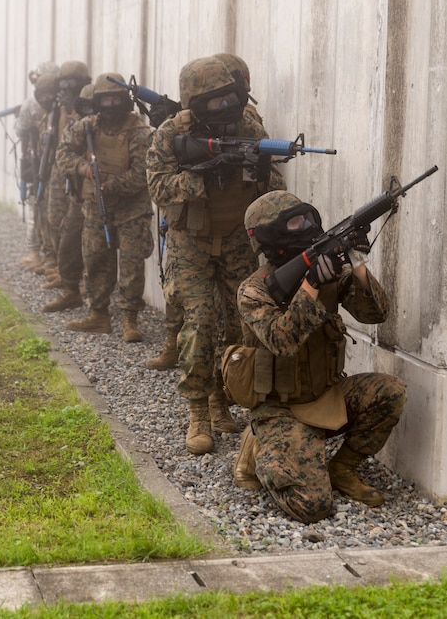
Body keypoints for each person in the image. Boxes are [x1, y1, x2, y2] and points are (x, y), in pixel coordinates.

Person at [232, 190, 407, 523]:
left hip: (325, 396)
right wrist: (311, 284)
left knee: (391, 392)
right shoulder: (254, 290)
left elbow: (377, 313)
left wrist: (357, 263)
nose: (305, 227)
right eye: (294, 222)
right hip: (280, 407)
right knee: (311, 507)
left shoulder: (330, 274)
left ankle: (342, 469)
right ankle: (257, 444)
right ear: (269, 236)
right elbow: (283, 342)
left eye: (306, 219)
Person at [147, 56, 285, 454]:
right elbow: (158, 187)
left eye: (227, 99)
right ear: (193, 102)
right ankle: (199, 412)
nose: (222, 108)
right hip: (190, 240)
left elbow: (273, 184)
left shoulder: (250, 129)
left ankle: (222, 398)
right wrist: (204, 174)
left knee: (240, 324)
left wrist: (258, 169)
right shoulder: (170, 134)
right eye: (212, 101)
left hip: (237, 238)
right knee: (201, 321)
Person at [61, 73, 154, 342]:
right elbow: (63, 152)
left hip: (132, 208)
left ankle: (129, 319)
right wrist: (83, 168)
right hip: (95, 205)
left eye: (116, 99)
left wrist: (111, 185)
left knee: (131, 265)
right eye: (106, 100)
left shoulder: (139, 132)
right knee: (95, 258)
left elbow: (141, 174)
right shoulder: (87, 126)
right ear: (97, 102)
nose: (111, 105)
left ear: (125, 101)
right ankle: (98, 314)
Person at [41, 61, 92, 312]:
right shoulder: (57, 107)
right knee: (56, 221)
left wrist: (75, 110)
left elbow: (87, 134)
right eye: (62, 84)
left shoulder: (87, 103)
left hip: (83, 176)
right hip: (61, 170)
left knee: (81, 234)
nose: (65, 89)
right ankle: (67, 277)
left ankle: (79, 282)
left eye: (71, 84)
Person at [17, 61, 59, 271]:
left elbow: (20, 130)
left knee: (42, 209)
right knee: (39, 207)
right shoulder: (54, 103)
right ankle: (41, 254)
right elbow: (23, 132)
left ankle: (42, 254)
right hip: (40, 163)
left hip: (47, 164)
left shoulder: (38, 104)